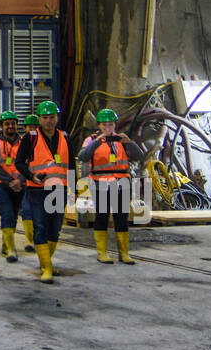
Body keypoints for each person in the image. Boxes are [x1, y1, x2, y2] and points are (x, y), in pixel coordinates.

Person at [77, 109, 145, 264]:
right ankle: (102, 253)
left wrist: (130, 143)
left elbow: (140, 156)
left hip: (121, 182)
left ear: (115, 125)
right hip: (100, 182)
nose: (108, 128)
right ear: (99, 125)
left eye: (111, 125)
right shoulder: (91, 139)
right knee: (102, 216)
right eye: (104, 125)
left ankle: (124, 253)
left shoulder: (121, 139)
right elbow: (83, 156)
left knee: (121, 217)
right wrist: (96, 142)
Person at [17, 100, 70, 283]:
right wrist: (31, 176)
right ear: (39, 119)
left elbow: (70, 165)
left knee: (55, 229)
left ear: (57, 118)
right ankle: (46, 268)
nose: (48, 121)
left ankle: (46, 261)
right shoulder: (30, 138)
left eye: (52, 117)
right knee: (40, 226)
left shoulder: (65, 137)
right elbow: (19, 163)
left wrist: (73, 188)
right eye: (45, 118)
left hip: (59, 188)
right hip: (38, 189)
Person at [0, 111, 26, 262]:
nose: (10, 126)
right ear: (1, 126)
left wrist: (19, 179)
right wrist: (9, 181)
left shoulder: (24, 143)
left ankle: (7, 244)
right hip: (2, 185)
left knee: (14, 215)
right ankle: (11, 250)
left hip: (20, 185)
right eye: (7, 124)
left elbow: (29, 163)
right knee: (7, 214)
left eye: (13, 123)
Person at [18, 114, 40, 252]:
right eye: (30, 127)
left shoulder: (41, 142)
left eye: (35, 127)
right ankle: (29, 240)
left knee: (39, 213)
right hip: (24, 182)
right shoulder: (22, 142)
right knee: (26, 211)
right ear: (24, 128)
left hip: (39, 183)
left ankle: (39, 239)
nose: (32, 129)